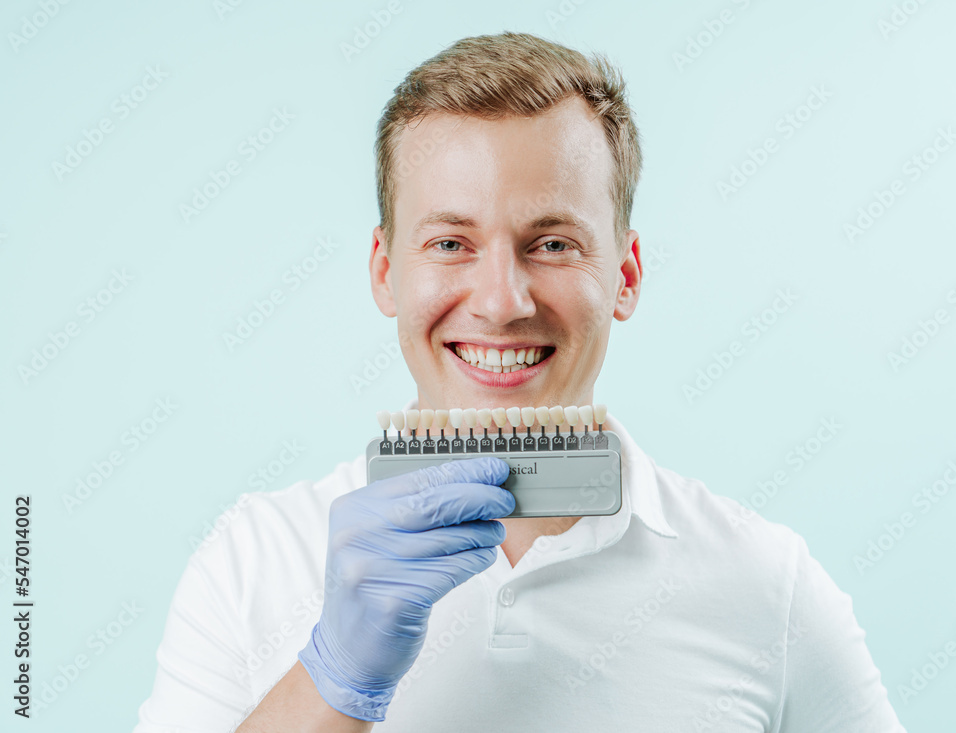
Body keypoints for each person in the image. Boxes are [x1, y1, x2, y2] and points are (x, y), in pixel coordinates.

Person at [134, 32, 907, 732]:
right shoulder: (249, 561)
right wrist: (331, 678)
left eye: (552, 242)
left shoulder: (767, 585)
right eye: (449, 241)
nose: (502, 301)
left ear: (626, 275)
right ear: (384, 273)